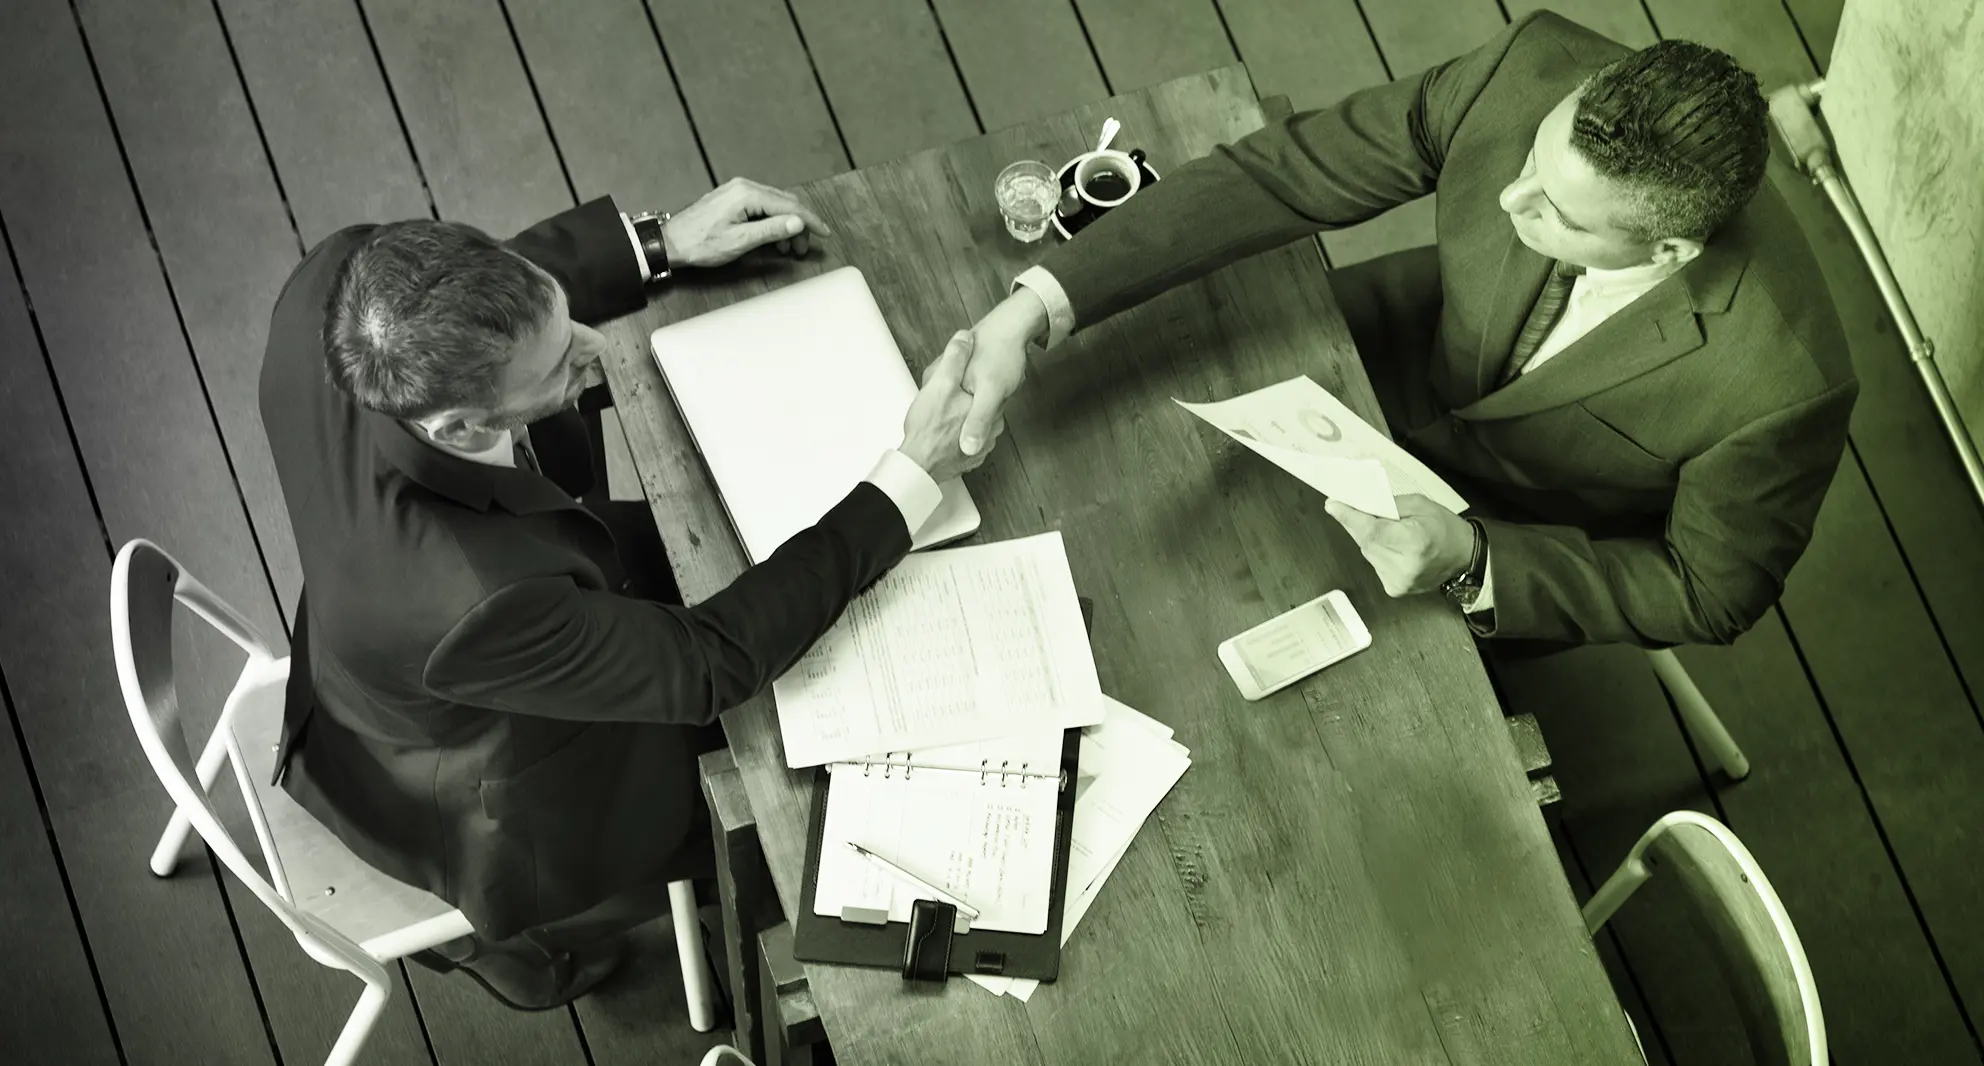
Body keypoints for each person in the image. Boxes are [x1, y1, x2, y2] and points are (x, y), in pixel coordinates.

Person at [258, 178, 998, 1011]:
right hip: (497, 775)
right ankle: (526, 948)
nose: (595, 348)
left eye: (567, 319)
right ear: (462, 428)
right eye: (557, 363)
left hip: (406, 634)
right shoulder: (474, 598)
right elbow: (706, 666)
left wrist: (660, 244)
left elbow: (491, 295)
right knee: (775, 796)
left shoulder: (337, 286)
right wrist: (909, 477)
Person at [954, 11, 1855, 650]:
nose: (1511, 200)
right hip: (1369, 364)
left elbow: (1708, 593)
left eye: (1561, 218)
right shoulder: (1525, 69)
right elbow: (1290, 173)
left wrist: (1478, 559)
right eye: (1535, 160)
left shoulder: (1784, 387)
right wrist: (1037, 304)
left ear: (1666, 252)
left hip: (1496, 544)